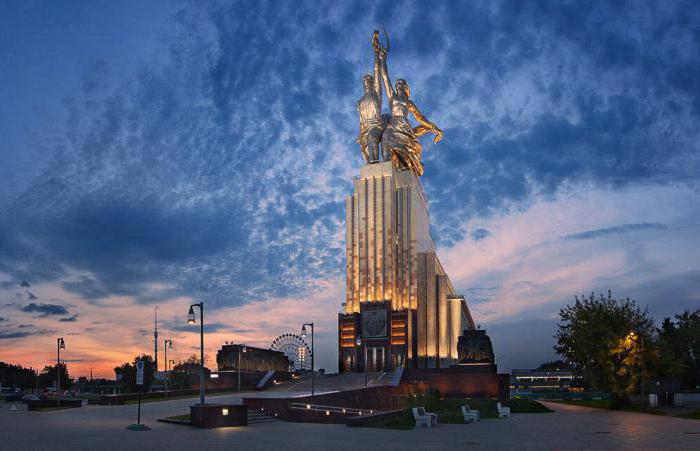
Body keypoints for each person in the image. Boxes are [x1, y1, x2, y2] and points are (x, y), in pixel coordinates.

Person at [376, 39, 443, 176]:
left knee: (415, 147)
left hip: (405, 128)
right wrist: (383, 59)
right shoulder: (392, 97)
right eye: (398, 84)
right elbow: (385, 78)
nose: (399, 85)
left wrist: (434, 128)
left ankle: (407, 167)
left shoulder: (409, 103)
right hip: (393, 126)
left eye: (402, 84)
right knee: (386, 139)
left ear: (406, 89)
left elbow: (421, 118)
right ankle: (389, 172)